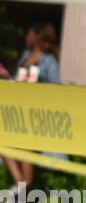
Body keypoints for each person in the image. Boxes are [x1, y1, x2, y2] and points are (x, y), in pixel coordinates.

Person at [4, 23, 60, 194]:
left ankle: (24, 197)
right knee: (6, 147)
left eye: (29, 34)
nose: (26, 38)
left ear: (37, 37)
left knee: (26, 151)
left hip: (37, 114)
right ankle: (22, 187)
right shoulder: (26, 56)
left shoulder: (49, 61)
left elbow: (56, 88)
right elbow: (16, 81)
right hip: (19, 112)